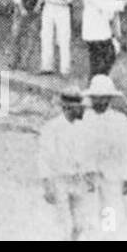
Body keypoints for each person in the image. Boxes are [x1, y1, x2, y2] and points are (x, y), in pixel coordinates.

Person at [38, 86, 97, 241]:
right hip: (60, 181)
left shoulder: (83, 128)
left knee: (80, 225)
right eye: (80, 108)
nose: (83, 111)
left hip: (79, 181)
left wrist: (90, 175)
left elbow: (88, 153)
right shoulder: (52, 128)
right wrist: (47, 184)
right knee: (64, 226)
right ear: (69, 108)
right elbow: (45, 157)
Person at [83, 74, 127, 239]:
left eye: (103, 98)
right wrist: (86, 170)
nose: (99, 102)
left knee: (110, 211)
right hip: (89, 174)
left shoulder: (119, 121)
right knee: (89, 213)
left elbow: (126, 150)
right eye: (95, 98)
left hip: (112, 173)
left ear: (110, 99)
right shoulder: (86, 119)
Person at [82, 0, 127, 78]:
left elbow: (111, 11)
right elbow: (104, 5)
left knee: (110, 55)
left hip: (104, 30)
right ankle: (94, 84)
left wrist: (115, 30)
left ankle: (100, 81)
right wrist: (124, 2)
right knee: (97, 60)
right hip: (93, 30)